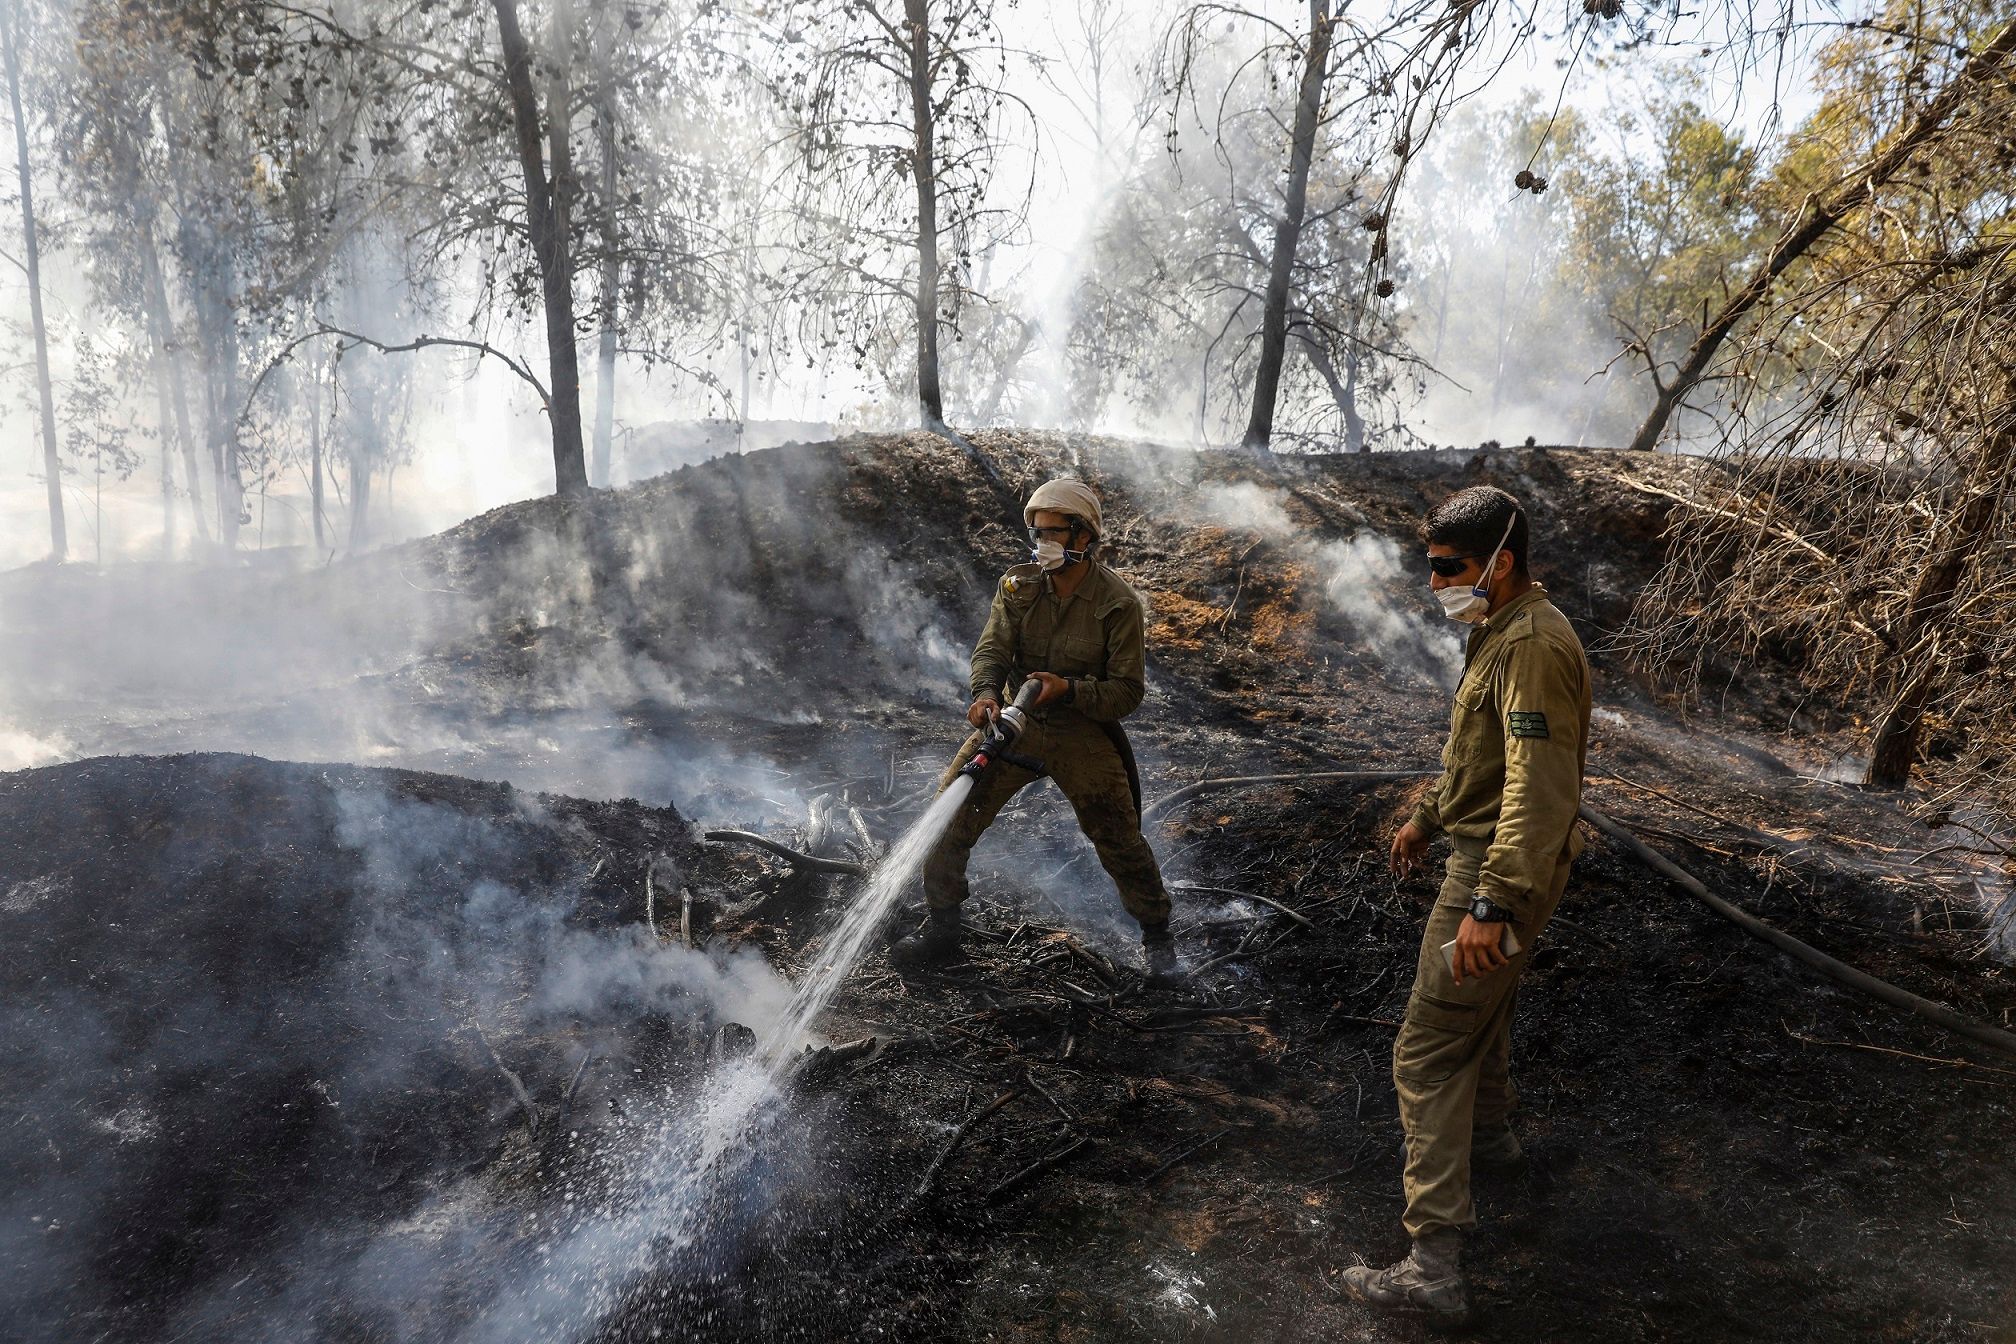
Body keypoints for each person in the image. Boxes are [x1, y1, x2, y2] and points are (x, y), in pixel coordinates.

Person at [1341, 485, 1592, 1327]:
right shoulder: (1499, 632)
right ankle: (1494, 1145)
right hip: (1487, 857)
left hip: (1498, 871)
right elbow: (1477, 759)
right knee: (1480, 1012)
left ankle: (1432, 1266)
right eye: (1433, 567)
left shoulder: (1532, 646)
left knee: (1427, 1052)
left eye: (1449, 568)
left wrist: (1491, 900)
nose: (1437, 582)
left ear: (1501, 562)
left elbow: (1535, 788)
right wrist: (1423, 817)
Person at [891, 478, 1176, 976]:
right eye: (1037, 532)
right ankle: (943, 926)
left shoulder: (1118, 604)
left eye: (1053, 533)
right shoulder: (1018, 587)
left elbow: (1127, 693)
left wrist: (1069, 690)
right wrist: (984, 695)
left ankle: (1157, 939)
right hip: (1012, 724)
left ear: (1083, 537)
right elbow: (993, 649)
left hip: (1080, 733)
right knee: (947, 818)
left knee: (1119, 837)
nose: (1042, 543)